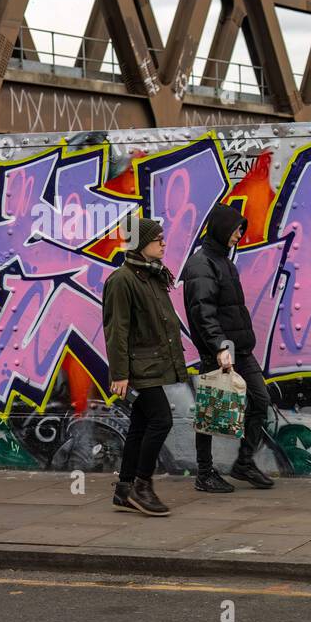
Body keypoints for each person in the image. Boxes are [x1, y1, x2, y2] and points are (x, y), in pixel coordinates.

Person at [182, 203, 274, 491]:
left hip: (239, 350)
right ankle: (204, 473)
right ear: (222, 229)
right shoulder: (202, 264)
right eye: (236, 230)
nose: (239, 235)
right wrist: (219, 347)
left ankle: (244, 463)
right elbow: (202, 310)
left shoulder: (223, 262)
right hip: (220, 351)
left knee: (260, 399)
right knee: (209, 410)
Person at [102, 217, 188, 516]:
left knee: (140, 425)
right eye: (158, 239)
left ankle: (125, 490)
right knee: (161, 419)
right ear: (141, 243)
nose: (163, 243)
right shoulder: (122, 280)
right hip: (140, 368)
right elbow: (117, 330)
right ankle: (142, 485)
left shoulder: (153, 276)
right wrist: (120, 374)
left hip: (153, 364)